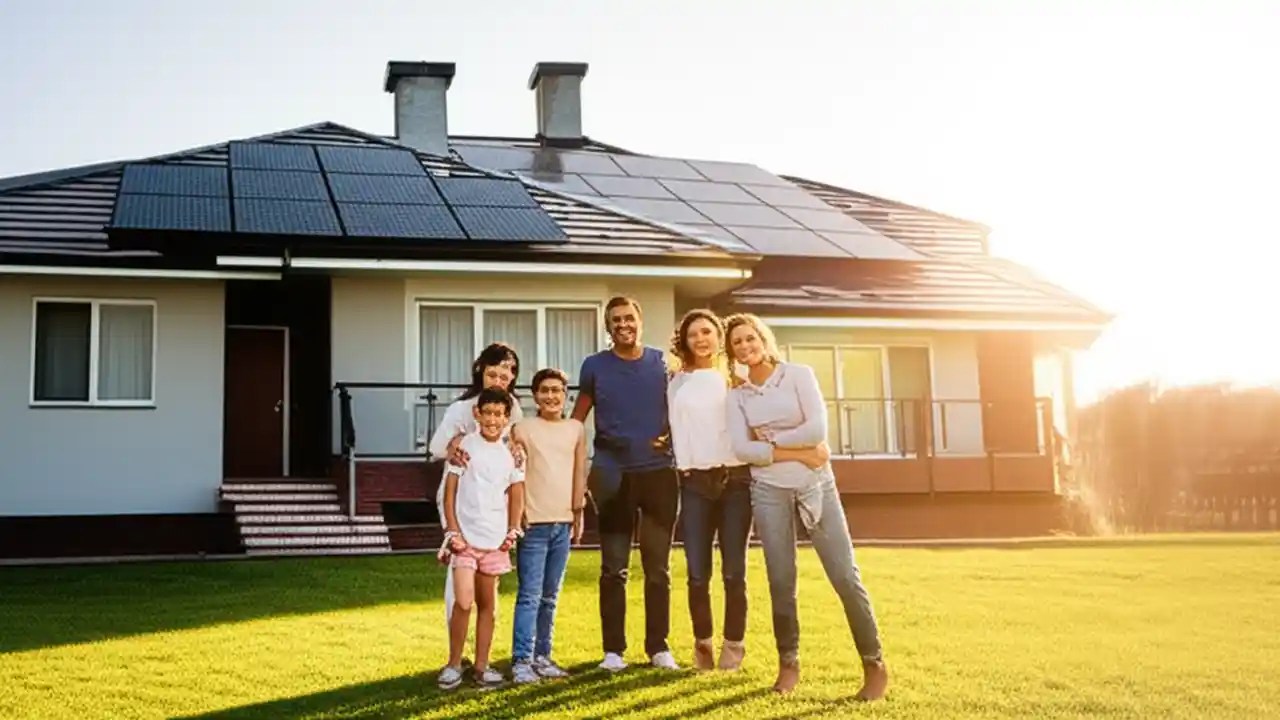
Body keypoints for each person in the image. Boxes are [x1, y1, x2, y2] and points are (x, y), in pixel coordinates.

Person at [724, 313, 889, 700]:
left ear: (763, 338)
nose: (746, 347)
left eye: (750, 338)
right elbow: (741, 448)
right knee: (781, 583)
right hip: (768, 493)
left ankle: (874, 661)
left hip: (817, 486)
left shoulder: (799, 375)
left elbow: (819, 431)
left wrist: (769, 444)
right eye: (737, 343)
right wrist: (796, 451)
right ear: (731, 352)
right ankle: (789, 664)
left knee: (845, 577)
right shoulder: (738, 396)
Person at [571, 296, 680, 672]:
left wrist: (672, 436)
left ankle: (658, 648)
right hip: (611, 476)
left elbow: (685, 408)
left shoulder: (663, 363)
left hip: (658, 475)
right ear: (608, 326)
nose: (623, 324)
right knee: (613, 568)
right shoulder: (594, 366)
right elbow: (576, 421)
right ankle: (613, 651)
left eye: (629, 318)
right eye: (615, 320)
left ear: (640, 320)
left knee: (657, 568)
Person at [667, 309, 753, 671]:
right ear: (685, 342)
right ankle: (702, 641)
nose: (701, 339)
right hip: (694, 482)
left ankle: (733, 643)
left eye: (707, 332)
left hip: (735, 480)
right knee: (698, 571)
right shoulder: (677, 382)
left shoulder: (736, 378)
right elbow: (674, 428)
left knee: (734, 571)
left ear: (719, 336)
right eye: (693, 334)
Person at [426, 343, 524, 632]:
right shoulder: (461, 408)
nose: (498, 381)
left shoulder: (514, 408)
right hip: (460, 496)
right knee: (460, 573)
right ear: (481, 371)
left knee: (489, 572)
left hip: (492, 498)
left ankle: (482, 649)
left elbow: (511, 441)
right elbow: (435, 448)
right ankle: (456, 651)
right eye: (492, 374)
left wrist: (516, 444)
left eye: (505, 377)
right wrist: (455, 442)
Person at [437, 387, 526, 691]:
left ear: (506, 418)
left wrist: (513, 529)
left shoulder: (511, 455)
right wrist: (452, 532)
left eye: (498, 414)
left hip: (494, 541)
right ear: (477, 414)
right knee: (463, 601)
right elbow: (450, 493)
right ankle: (452, 664)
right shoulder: (464, 447)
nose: (491, 419)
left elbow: (517, 494)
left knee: (488, 604)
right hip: (465, 540)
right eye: (486, 412)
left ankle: (481, 666)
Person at [508, 368, 588, 684]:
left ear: (565, 394)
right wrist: (518, 514)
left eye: (557, 390)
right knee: (530, 594)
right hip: (534, 523)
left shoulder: (576, 429)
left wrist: (578, 513)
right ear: (535, 396)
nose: (551, 396)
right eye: (544, 391)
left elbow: (580, 471)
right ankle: (521, 660)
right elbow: (514, 472)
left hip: (563, 522)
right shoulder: (522, 429)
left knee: (550, 596)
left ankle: (543, 656)